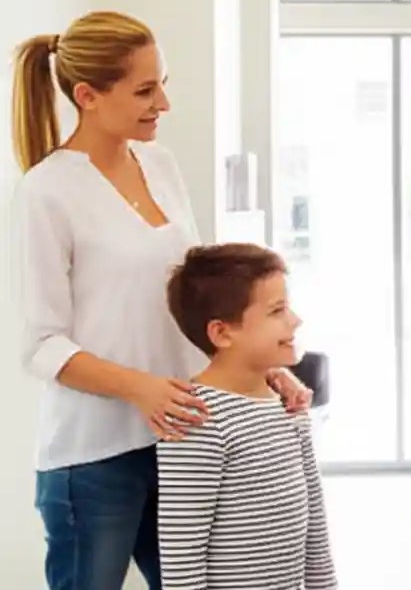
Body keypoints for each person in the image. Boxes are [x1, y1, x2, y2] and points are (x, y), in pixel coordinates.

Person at [11, 10, 311, 589]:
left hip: (181, 442)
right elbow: (41, 346)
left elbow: (194, 306)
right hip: (94, 455)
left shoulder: (161, 164)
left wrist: (259, 370)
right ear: (87, 95)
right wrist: (140, 388)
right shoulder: (46, 190)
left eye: (163, 84)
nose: (163, 104)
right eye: (146, 90)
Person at [157, 243, 337, 589]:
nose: (295, 320)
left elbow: (315, 523)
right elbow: (182, 555)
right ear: (223, 333)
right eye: (277, 310)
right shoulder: (197, 419)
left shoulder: (288, 405)